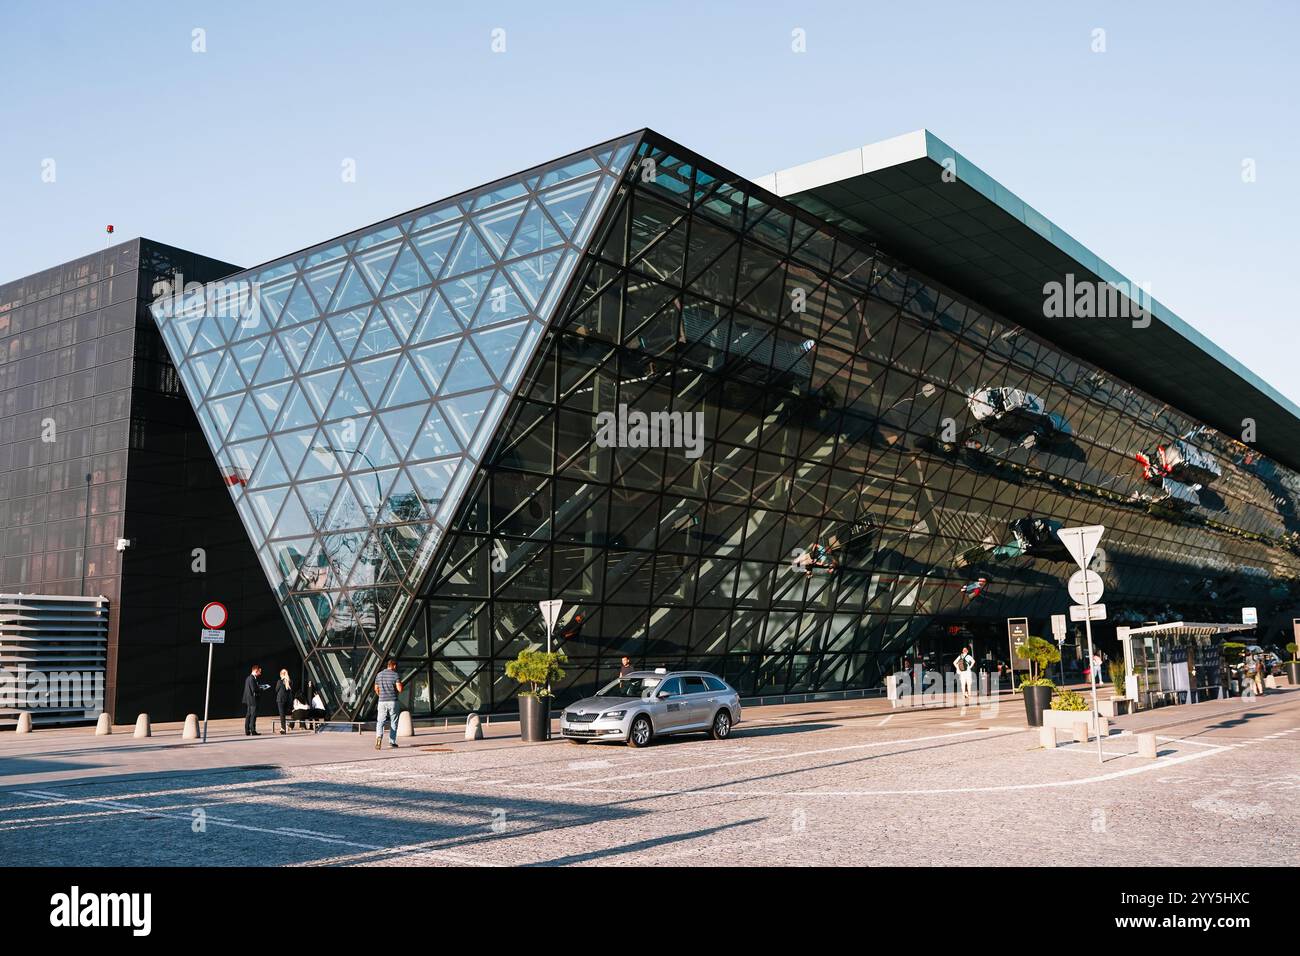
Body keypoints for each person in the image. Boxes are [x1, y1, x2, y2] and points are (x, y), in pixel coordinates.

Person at [374, 659, 404, 750]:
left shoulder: (379, 675)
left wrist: (381, 695)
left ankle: (379, 738)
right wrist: (400, 684)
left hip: (382, 701)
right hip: (393, 701)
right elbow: (400, 689)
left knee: (380, 721)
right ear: (393, 666)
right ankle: (392, 742)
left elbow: (376, 688)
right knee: (393, 721)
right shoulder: (395, 675)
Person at [242, 665, 266, 736]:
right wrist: (262, 688)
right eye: (259, 671)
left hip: (249, 699)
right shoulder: (252, 678)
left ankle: (247, 730)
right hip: (253, 700)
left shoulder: (248, 678)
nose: (260, 673)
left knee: (248, 715)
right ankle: (253, 730)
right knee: (253, 715)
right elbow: (254, 689)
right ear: (256, 670)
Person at [275, 669, 293, 735]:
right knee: (284, 714)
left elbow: (276, 690)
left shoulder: (279, 681)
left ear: (281, 675)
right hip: (287, 700)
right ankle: (284, 727)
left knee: (282, 715)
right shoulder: (290, 682)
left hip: (280, 700)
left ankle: (283, 729)